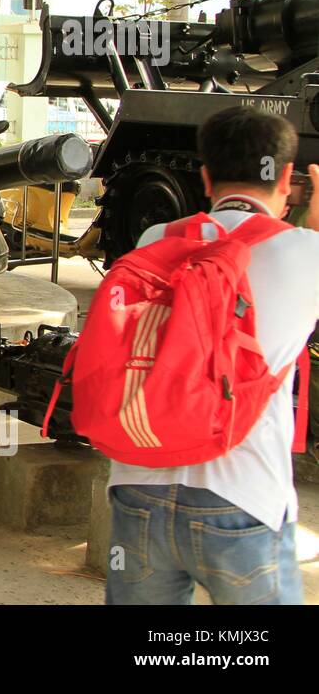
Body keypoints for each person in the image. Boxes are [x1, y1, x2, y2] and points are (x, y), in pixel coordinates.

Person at [106, 105, 319, 604]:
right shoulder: (307, 254)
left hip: (138, 485)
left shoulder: (155, 239)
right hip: (243, 498)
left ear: (204, 176)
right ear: (287, 177)